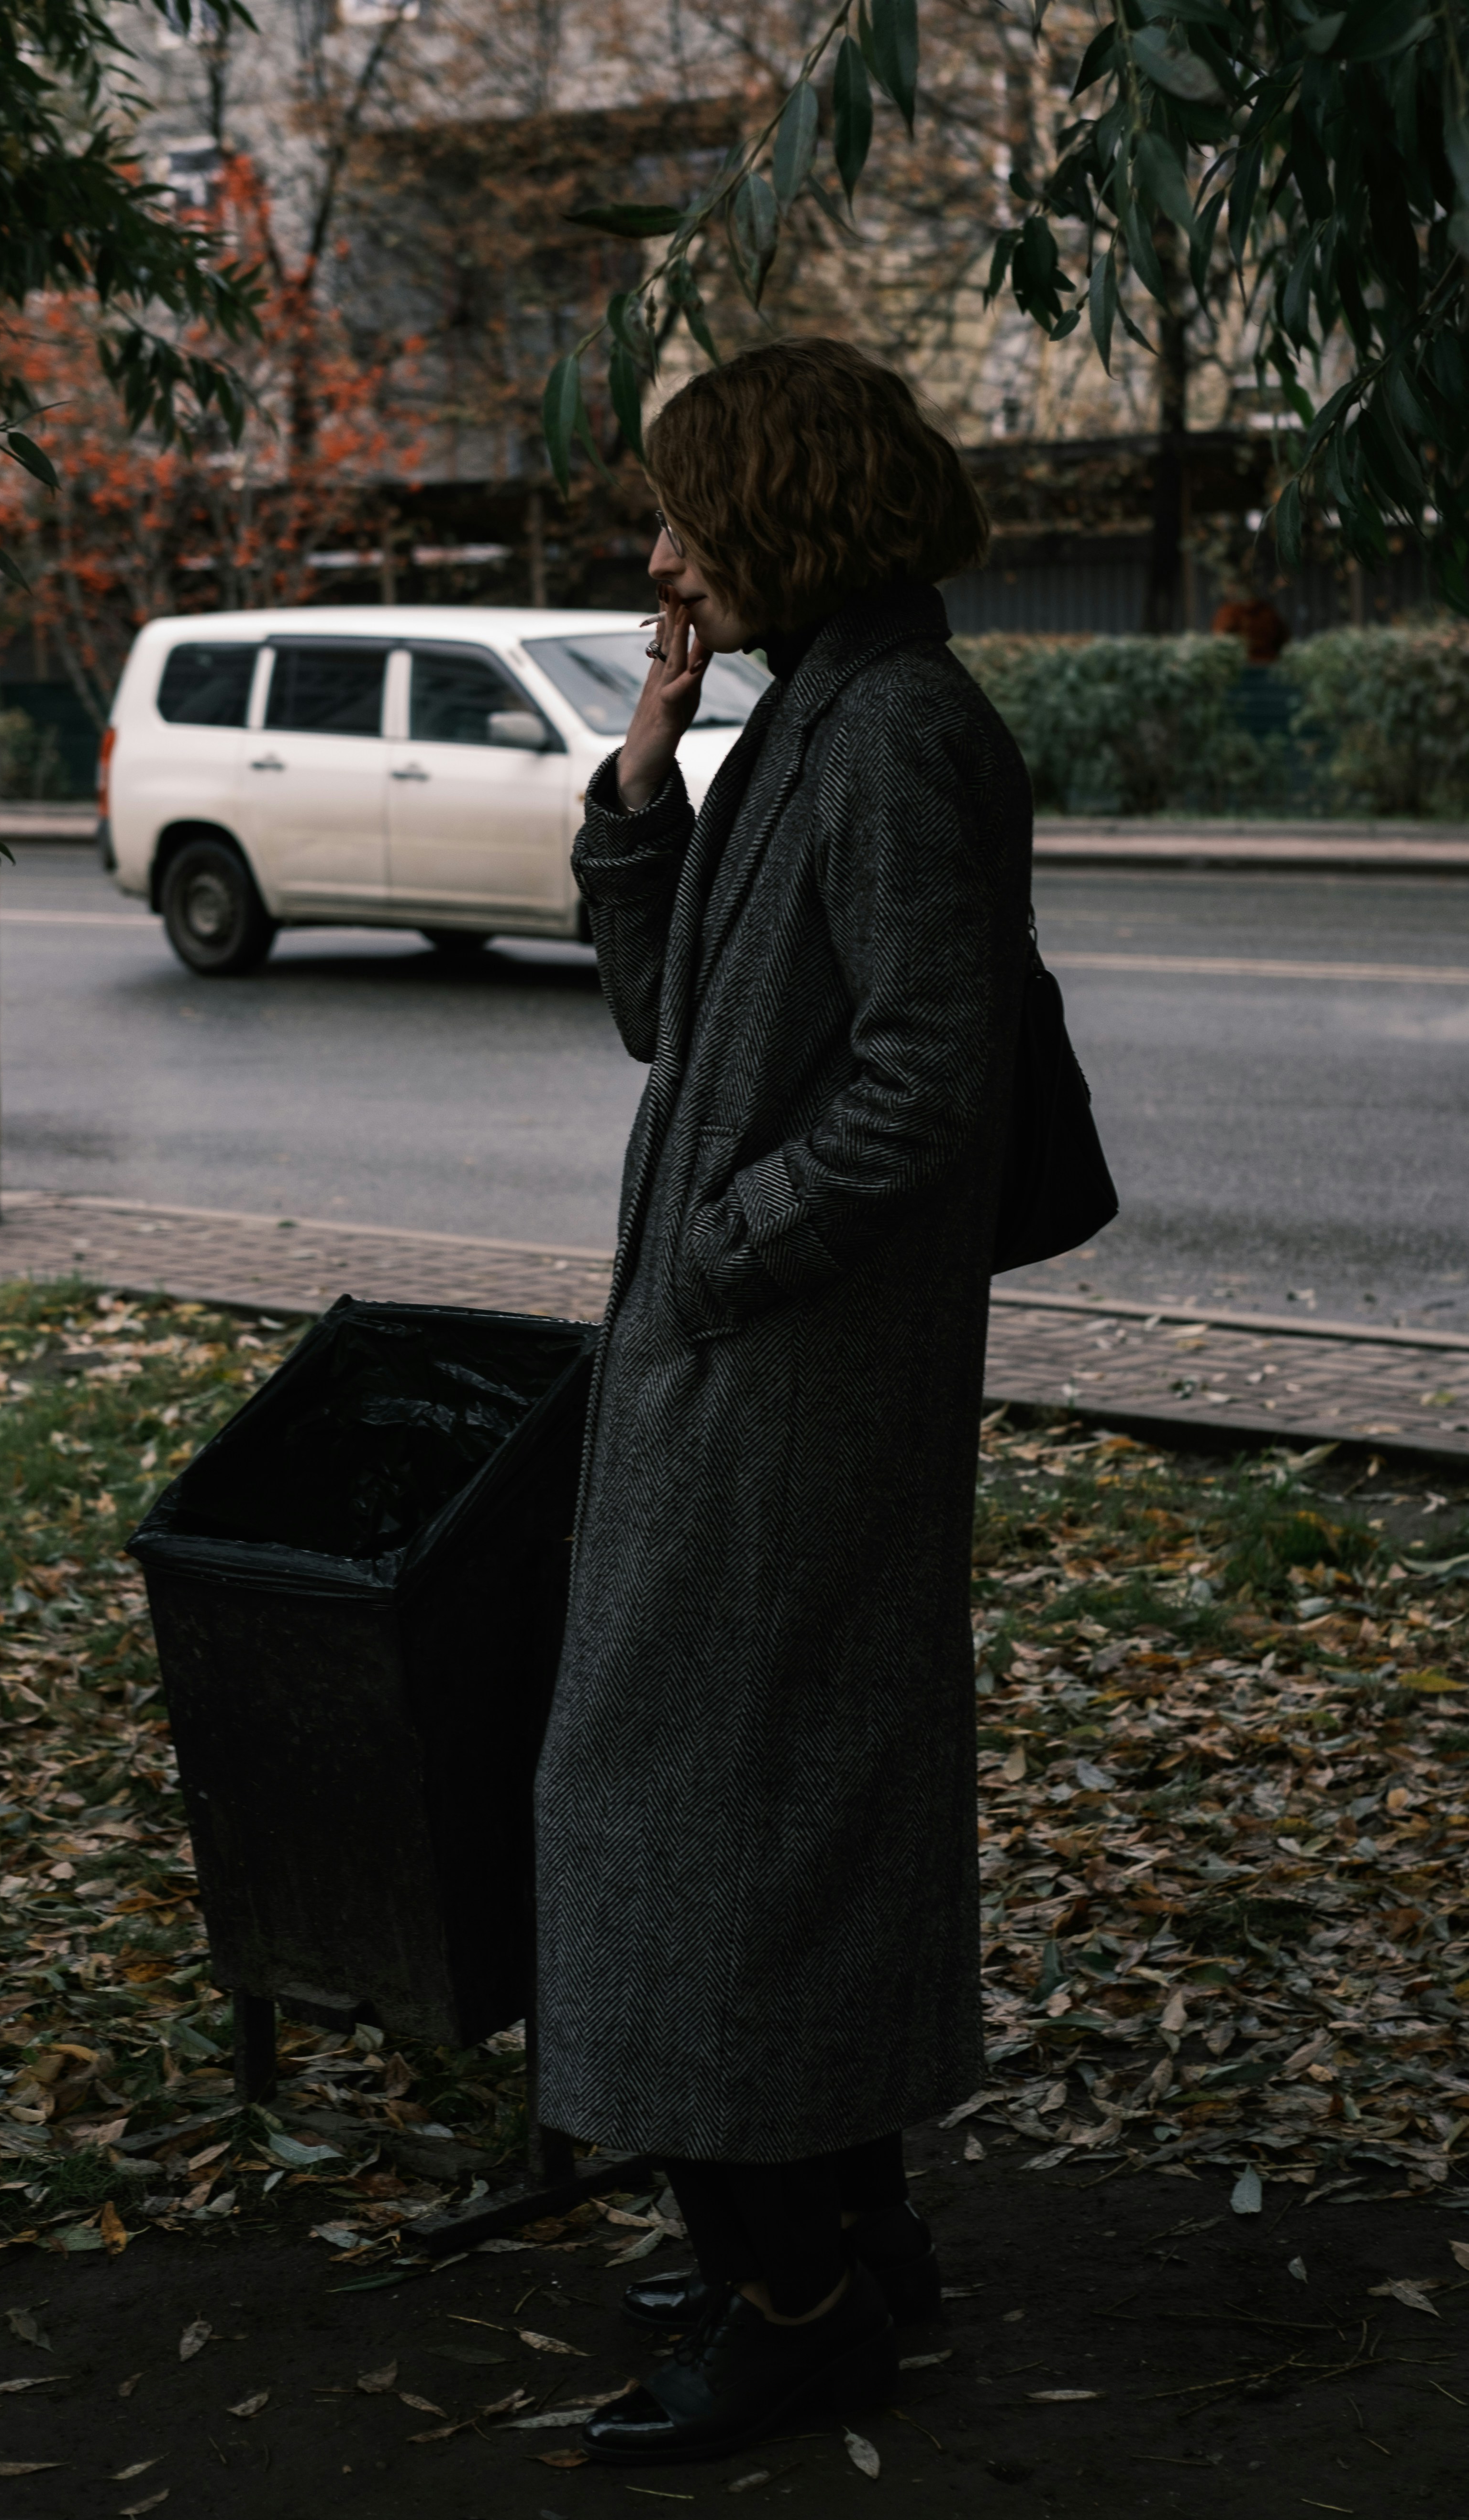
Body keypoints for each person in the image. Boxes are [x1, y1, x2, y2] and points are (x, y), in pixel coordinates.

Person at [532, 336, 1033, 2467]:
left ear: (788, 513)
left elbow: (935, 1073)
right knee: (768, 1808)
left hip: (790, 1388)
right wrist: (640, 781)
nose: (658, 561)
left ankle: (796, 2290)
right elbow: (673, 1025)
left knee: (691, 1820)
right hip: (741, 1379)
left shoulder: (898, 735)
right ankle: (838, 2219)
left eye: (685, 519)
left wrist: (727, 1255)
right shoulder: (804, 721)